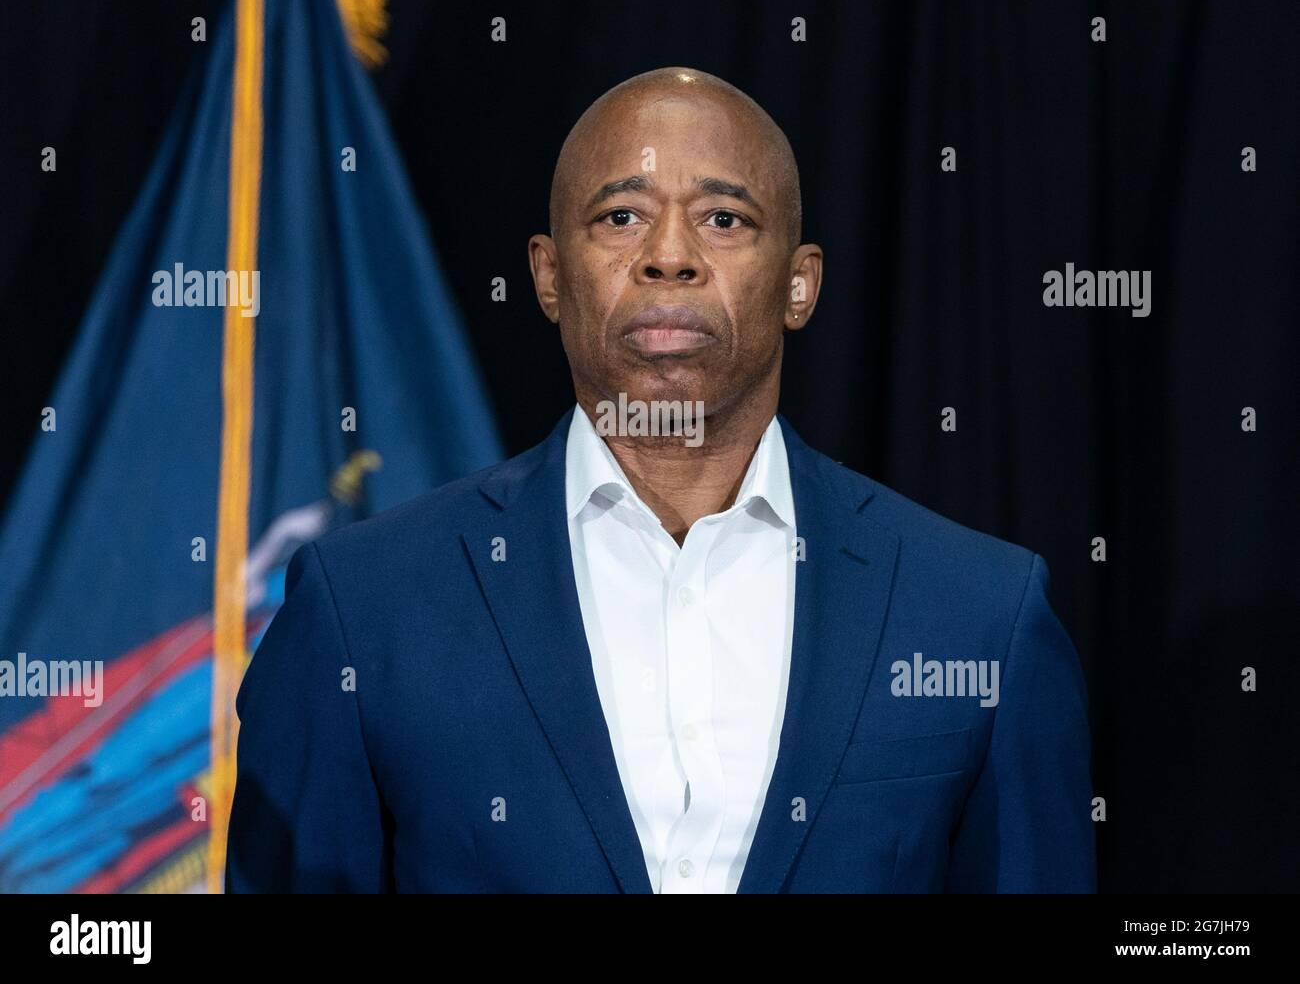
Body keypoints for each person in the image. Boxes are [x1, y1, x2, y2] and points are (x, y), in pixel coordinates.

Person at [226, 67, 1096, 894]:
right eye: (620, 218)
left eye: (723, 219)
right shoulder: (364, 603)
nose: (669, 257)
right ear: (548, 275)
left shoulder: (981, 612)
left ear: (800, 283)